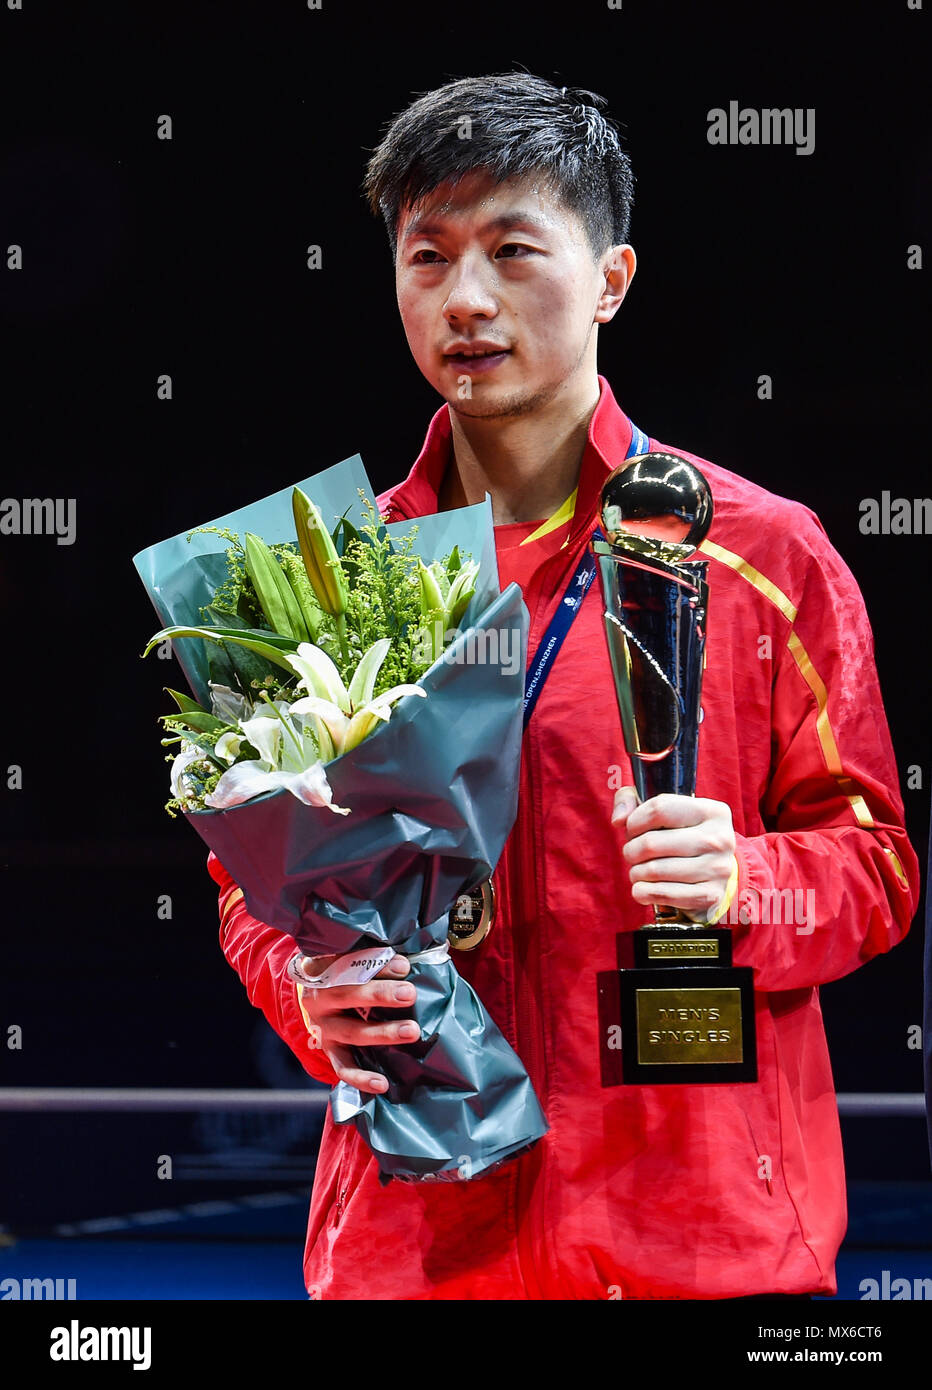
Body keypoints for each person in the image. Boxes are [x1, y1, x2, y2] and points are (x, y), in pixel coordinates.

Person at [207, 72, 919, 1299]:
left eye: (511, 249)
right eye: (425, 257)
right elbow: (248, 887)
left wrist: (748, 877)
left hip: (698, 1245)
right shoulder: (326, 577)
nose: (465, 299)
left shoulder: (760, 551)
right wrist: (306, 985)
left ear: (610, 279)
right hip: (414, 1246)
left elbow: (877, 867)